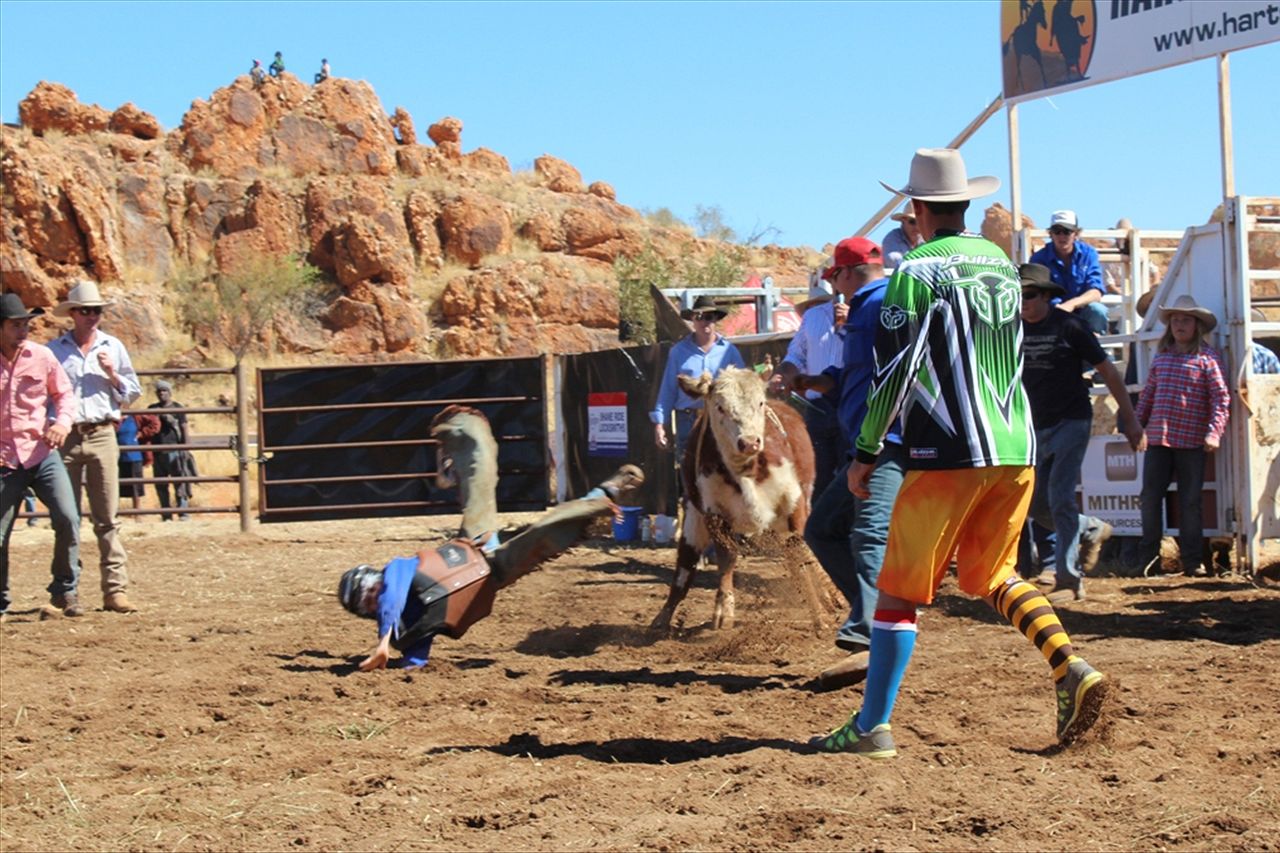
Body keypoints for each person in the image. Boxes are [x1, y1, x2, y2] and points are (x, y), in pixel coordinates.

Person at [809, 148, 1108, 759]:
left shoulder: (915, 272)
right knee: (993, 575)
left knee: (897, 593)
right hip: (1014, 443)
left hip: (946, 449)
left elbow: (895, 370)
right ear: (965, 203)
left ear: (917, 208)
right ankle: (1070, 667)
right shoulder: (1000, 264)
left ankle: (871, 726)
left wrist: (866, 450)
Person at [340, 464, 644, 671]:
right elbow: (416, 660)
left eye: (370, 590)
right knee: (544, 534)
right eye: (366, 602)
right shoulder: (403, 633)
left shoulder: (396, 573)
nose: (374, 598)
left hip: (471, 546)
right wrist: (399, 665)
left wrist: (383, 643)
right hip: (493, 571)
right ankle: (605, 494)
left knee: (479, 490)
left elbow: (391, 596)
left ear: (375, 577)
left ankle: (459, 448)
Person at [793, 237, 905, 688]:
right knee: (822, 528)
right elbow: (855, 374)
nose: (833, 288)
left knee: (870, 533)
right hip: (868, 441)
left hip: (883, 441)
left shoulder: (878, 304)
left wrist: (874, 442)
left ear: (846, 273)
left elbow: (895, 373)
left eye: (834, 278)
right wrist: (813, 381)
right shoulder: (869, 306)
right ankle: (871, 617)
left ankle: (873, 634)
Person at [1019, 262, 1145, 603]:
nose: (1023, 302)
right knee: (1035, 503)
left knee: (1059, 496)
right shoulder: (1011, 330)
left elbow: (1108, 371)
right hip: (1033, 424)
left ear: (1045, 296)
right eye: (1019, 295)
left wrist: (1130, 419)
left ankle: (1069, 579)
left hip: (1071, 420)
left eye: (1029, 295)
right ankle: (1090, 528)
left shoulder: (1070, 326)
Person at [48, 281, 142, 614]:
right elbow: (44, 394)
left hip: (102, 433)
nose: (92, 316)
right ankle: (67, 591)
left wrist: (112, 374)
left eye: (97, 311)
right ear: (73, 313)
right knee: (66, 518)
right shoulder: (53, 351)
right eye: (86, 310)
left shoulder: (113, 346)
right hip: (66, 437)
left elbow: (133, 392)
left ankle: (115, 590)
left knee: (107, 518)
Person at [1134, 295, 1230, 578]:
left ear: (1196, 325)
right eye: (1175, 320)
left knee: (1190, 501)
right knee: (1151, 497)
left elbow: (1221, 398)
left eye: (1185, 320)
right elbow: (1148, 395)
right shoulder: (1162, 356)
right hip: (1158, 438)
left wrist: (1214, 432)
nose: (1179, 325)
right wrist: (1136, 425)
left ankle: (1192, 561)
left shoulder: (1207, 359)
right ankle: (1149, 560)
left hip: (1191, 439)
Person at [0, 293, 82, 619]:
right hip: (4, 460)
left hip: (41, 452)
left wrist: (62, 424)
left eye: (25, 325)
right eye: (15, 325)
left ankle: (65, 590)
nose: (23, 331)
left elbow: (64, 394)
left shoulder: (42, 356)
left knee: (68, 518)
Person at [770, 260, 855, 498]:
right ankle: (818, 519)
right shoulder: (813, 317)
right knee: (817, 478)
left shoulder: (870, 311)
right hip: (819, 408)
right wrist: (783, 374)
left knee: (852, 477)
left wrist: (854, 321)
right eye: (834, 277)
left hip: (854, 405)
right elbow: (796, 356)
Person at [651, 295, 745, 462]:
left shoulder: (729, 351)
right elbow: (668, 390)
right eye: (699, 317)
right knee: (689, 468)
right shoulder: (678, 351)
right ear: (692, 320)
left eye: (709, 317)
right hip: (688, 419)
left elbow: (743, 386)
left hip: (722, 420)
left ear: (715, 319)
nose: (704, 322)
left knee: (722, 468)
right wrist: (660, 424)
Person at [1028, 210, 1109, 334]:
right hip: (1051, 313)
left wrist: (1071, 305)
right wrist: (1058, 307)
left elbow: (1096, 292)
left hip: (1083, 310)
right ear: (1051, 234)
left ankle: (1094, 342)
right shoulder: (1039, 259)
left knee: (1097, 310)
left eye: (1066, 231)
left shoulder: (1088, 254)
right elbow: (1038, 293)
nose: (1062, 236)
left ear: (1076, 234)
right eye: (1057, 231)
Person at [147, 380, 198, 521]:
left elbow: (184, 427)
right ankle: (166, 514)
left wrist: (186, 448)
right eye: (159, 391)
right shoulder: (152, 409)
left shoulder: (177, 408)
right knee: (161, 485)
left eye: (164, 390)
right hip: (157, 451)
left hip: (175, 449)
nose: (162, 393)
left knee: (179, 482)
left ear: (170, 392)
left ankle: (183, 512)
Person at [116, 412, 159, 513]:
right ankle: (114, 511)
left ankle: (137, 511)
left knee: (135, 485)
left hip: (134, 456)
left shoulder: (135, 417)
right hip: (117, 456)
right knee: (115, 485)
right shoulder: (114, 420)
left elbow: (154, 423)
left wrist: (142, 433)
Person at [882, 202, 923, 271]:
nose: (917, 227)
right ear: (903, 221)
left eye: (920, 222)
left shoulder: (927, 239)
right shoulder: (893, 237)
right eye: (912, 222)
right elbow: (892, 259)